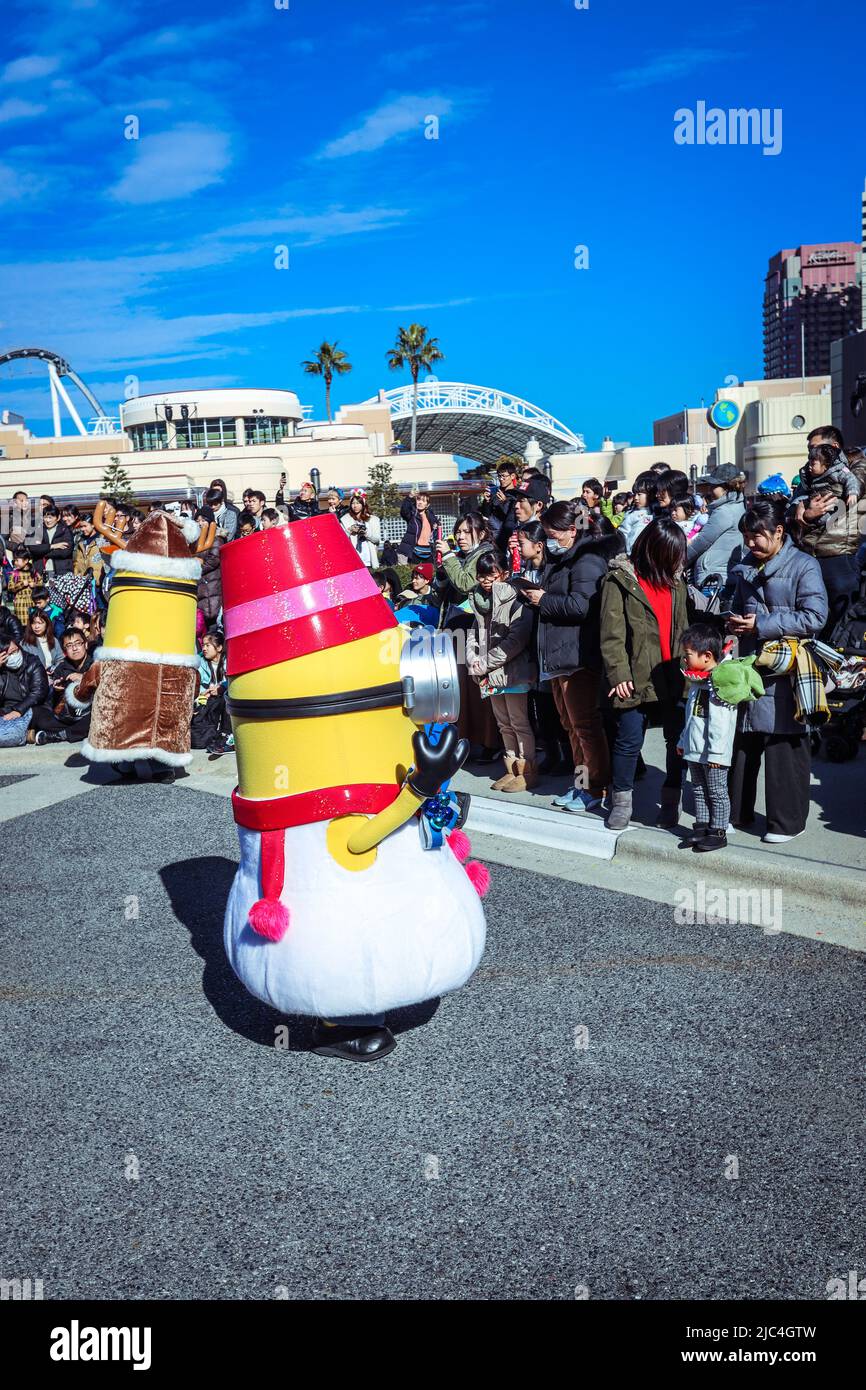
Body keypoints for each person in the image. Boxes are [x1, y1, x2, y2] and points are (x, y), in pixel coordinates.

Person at [726, 497, 828, 843]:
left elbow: (815, 617)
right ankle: (736, 814)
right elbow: (738, 606)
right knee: (744, 743)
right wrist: (734, 622)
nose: (751, 544)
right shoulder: (744, 565)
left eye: (757, 537)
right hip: (751, 664)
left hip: (789, 667)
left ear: (779, 531)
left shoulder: (804, 565)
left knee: (784, 743)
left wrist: (763, 624)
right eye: (747, 537)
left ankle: (787, 823)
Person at [523, 500, 619, 812]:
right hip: (559, 655)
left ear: (570, 530)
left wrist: (544, 600)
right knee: (572, 727)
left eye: (553, 533)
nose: (550, 539)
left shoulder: (587, 560)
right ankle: (580, 785)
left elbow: (583, 606)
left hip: (578, 656)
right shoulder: (563, 558)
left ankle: (596, 787)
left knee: (585, 726)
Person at [600, 516, 690, 830]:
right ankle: (621, 802)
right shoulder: (620, 579)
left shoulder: (677, 581)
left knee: (676, 740)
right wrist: (618, 674)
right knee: (629, 740)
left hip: (674, 673)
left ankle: (670, 802)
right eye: (673, 553)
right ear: (656, 551)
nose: (679, 559)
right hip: (634, 675)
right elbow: (611, 634)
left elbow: (683, 626)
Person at [675, 622, 763, 853]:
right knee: (698, 789)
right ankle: (702, 827)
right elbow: (691, 717)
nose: (685, 660)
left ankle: (718, 831)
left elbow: (721, 724)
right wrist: (683, 741)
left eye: (688, 655)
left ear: (706, 656)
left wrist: (716, 753)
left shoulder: (719, 684)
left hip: (714, 753)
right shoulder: (697, 681)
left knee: (716, 792)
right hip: (695, 749)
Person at [466, 550, 538, 791]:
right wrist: (472, 659)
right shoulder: (477, 601)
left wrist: (483, 662)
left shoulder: (517, 601)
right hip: (490, 673)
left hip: (513, 671)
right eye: (481, 575)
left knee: (519, 722)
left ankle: (527, 770)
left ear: (504, 574)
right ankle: (510, 769)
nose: (486, 580)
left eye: (491, 575)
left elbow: (515, 641)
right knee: (503, 723)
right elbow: (472, 634)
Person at [437, 512, 500, 761]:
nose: (460, 537)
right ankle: (468, 739)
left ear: (481, 533)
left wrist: (450, 556)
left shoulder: (484, 555)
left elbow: (464, 583)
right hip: (457, 627)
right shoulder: (465, 556)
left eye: (465, 532)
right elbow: (444, 589)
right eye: (458, 532)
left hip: (475, 629)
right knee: (461, 688)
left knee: (477, 687)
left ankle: (489, 743)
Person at [791, 440, 862, 636]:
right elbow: (796, 504)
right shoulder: (811, 475)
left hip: (838, 550)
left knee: (842, 612)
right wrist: (803, 510)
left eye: (815, 450)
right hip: (816, 547)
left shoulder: (851, 469)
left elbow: (849, 487)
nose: (810, 458)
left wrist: (807, 513)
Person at [28, 626, 94, 744]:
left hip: (88, 714)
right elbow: (57, 705)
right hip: (68, 716)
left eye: (78, 643)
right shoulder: (61, 668)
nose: (74, 648)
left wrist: (85, 678)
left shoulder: (95, 665)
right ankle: (73, 732)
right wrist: (57, 691)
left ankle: (59, 735)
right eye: (69, 645)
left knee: (95, 719)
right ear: (64, 651)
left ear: (86, 645)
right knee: (38, 714)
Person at [687, 463, 744, 586]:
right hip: (723, 574)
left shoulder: (724, 511)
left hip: (713, 577)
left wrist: (680, 562)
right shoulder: (736, 506)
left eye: (713, 486)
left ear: (726, 487)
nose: (709, 490)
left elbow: (702, 541)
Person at [0, 610, 48, 747]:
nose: (15, 655)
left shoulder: (32, 662)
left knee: (8, 735)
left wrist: (19, 710)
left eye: (16, 650)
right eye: (9, 654)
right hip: (4, 712)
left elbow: (38, 692)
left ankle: (24, 735)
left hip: (28, 709)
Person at [191, 629, 231, 753]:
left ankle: (226, 735)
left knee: (226, 697)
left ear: (219, 647)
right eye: (203, 645)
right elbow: (196, 686)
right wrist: (203, 694)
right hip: (207, 701)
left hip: (222, 699)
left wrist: (222, 687)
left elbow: (233, 682)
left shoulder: (228, 661)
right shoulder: (199, 662)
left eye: (208, 645)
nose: (204, 648)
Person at [29, 504, 74, 578]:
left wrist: (42, 551)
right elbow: (33, 548)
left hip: (61, 571)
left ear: (58, 517)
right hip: (40, 572)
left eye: (50, 517)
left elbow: (65, 552)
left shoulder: (65, 530)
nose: (47, 520)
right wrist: (52, 546)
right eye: (45, 517)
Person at [618, 471, 658, 553]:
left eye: (639, 494)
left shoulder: (656, 512)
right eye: (635, 494)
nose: (636, 498)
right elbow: (623, 533)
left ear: (651, 494)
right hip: (631, 554)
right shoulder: (631, 514)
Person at [397, 489, 440, 564]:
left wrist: (436, 526)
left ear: (427, 505)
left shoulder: (431, 516)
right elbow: (404, 511)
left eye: (423, 501)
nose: (420, 502)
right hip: (413, 551)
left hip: (427, 551)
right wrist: (410, 497)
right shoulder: (412, 514)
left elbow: (436, 531)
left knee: (428, 573)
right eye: (418, 500)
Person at [340, 490, 381, 568]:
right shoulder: (345, 519)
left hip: (369, 558)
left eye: (358, 503)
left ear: (363, 504)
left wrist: (366, 533)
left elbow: (377, 539)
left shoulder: (373, 519)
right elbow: (341, 540)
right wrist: (350, 530)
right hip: (353, 559)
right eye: (353, 503)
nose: (355, 506)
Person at [21, 609, 63, 674]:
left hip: (55, 675)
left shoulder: (54, 640)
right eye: (33, 623)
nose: (36, 626)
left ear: (47, 624)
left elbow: (60, 659)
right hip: (36, 677)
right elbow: (25, 665)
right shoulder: (25, 643)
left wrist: (54, 669)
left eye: (40, 623)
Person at [72, 513, 105, 586]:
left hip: (97, 582)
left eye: (85, 526)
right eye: (81, 526)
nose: (82, 529)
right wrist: (76, 575)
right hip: (83, 582)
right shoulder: (80, 541)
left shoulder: (101, 539)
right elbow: (77, 562)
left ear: (93, 525)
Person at [7, 546, 36, 625]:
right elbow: (10, 588)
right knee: (22, 625)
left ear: (26, 560)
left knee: (33, 624)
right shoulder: (14, 574)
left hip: (32, 604)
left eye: (17, 560)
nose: (15, 562)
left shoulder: (33, 572)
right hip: (20, 605)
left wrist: (35, 585)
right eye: (14, 560)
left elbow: (40, 585)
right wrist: (22, 584)